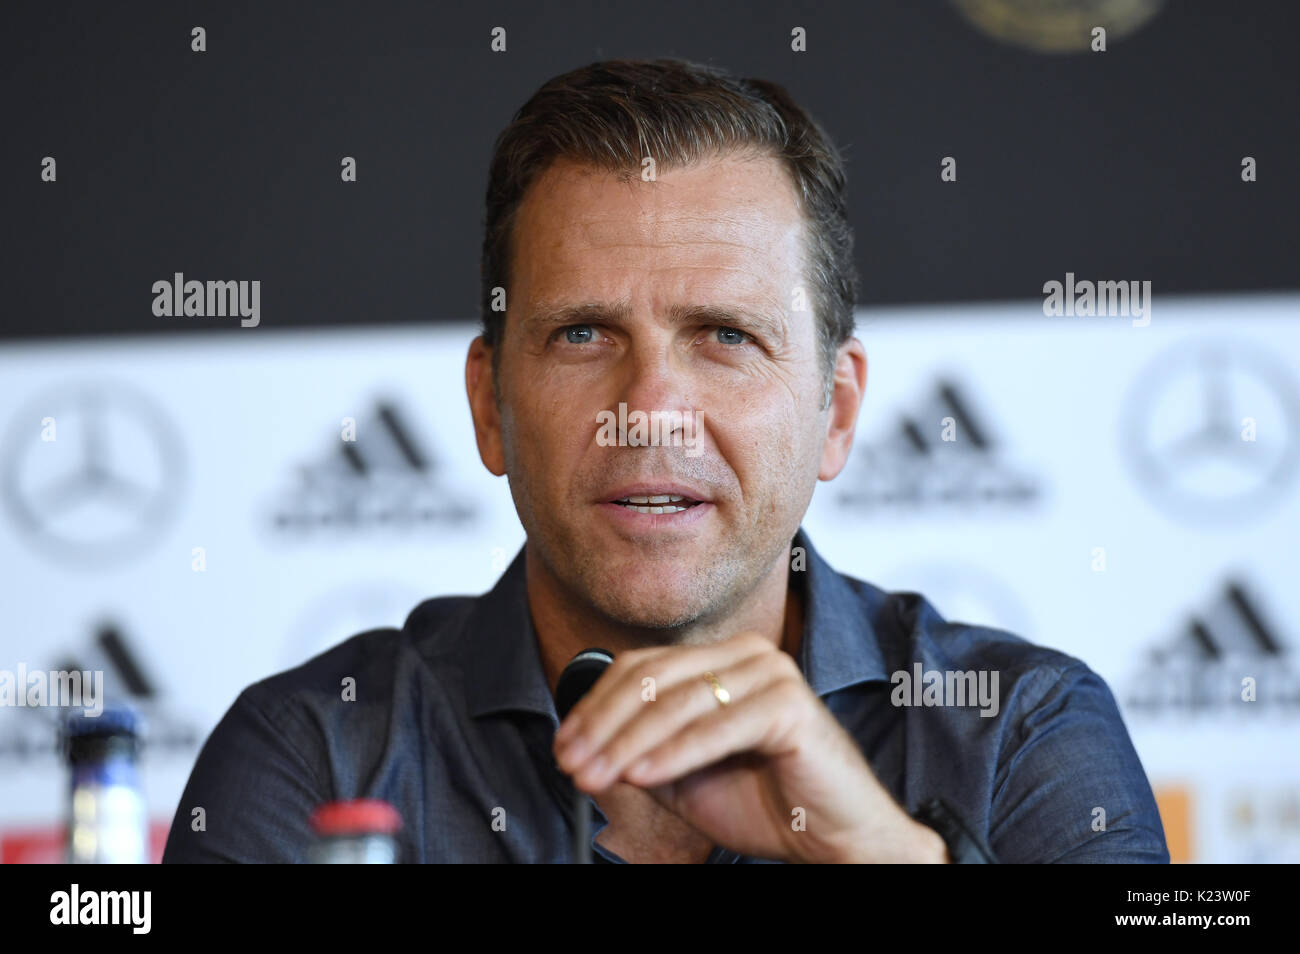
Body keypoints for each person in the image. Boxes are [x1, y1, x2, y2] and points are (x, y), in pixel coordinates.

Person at [163, 57, 1168, 864]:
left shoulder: (1020, 733)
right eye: (583, 336)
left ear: (837, 410)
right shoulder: (318, 754)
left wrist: (880, 857)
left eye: (726, 336)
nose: (649, 413)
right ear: (489, 406)